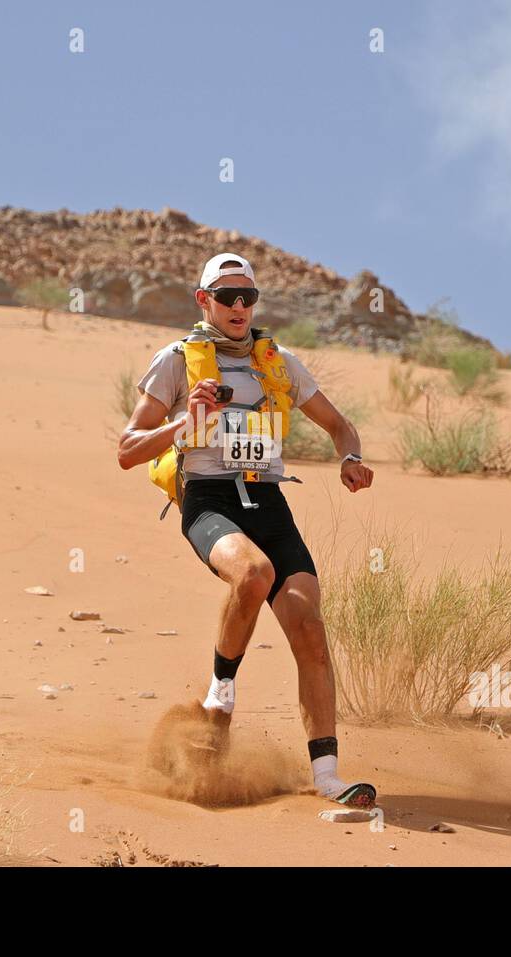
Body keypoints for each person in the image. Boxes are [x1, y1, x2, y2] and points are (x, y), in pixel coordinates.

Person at [116, 252, 378, 807]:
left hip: (268, 501)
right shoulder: (175, 362)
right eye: (227, 295)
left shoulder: (276, 363)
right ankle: (221, 697)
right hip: (210, 501)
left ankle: (328, 776)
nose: (239, 306)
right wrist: (186, 420)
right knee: (253, 574)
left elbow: (339, 424)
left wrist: (349, 457)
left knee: (307, 623)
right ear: (203, 299)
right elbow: (126, 451)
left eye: (248, 297)